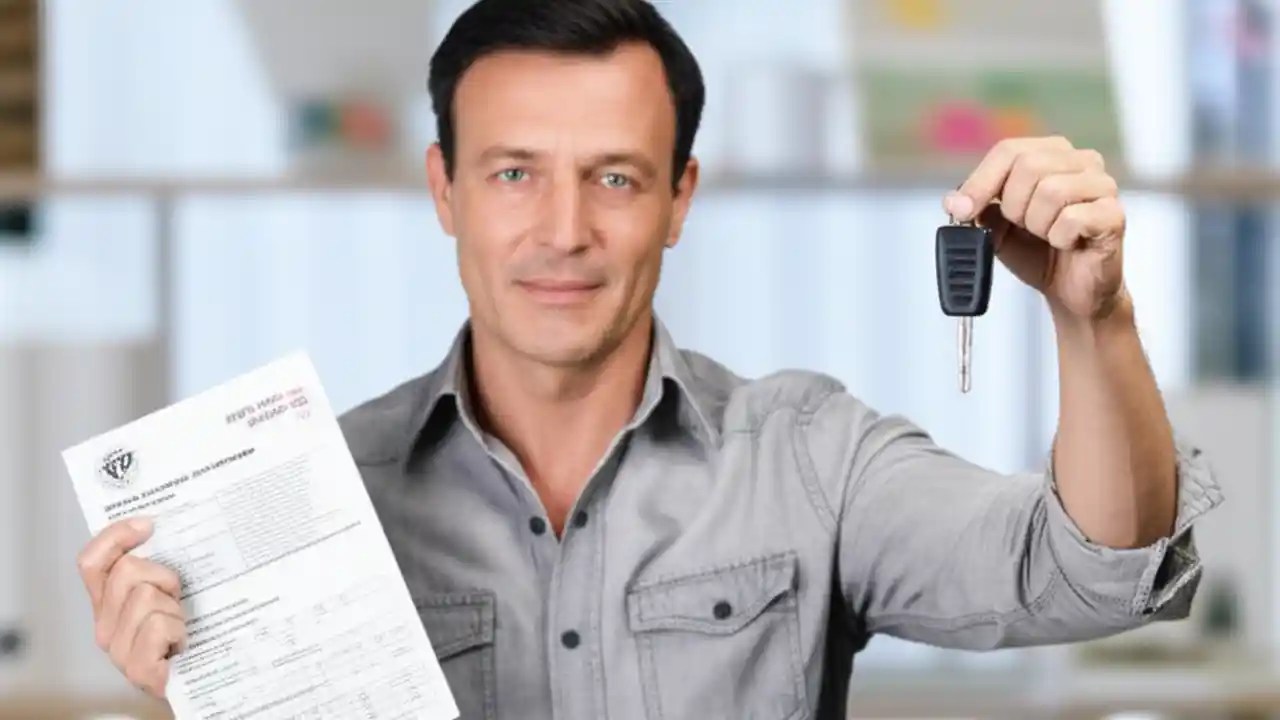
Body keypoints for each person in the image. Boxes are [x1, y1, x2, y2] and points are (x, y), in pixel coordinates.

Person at [75, 0, 1223, 717]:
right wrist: (192, 675)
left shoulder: (809, 456)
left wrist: (1094, 317)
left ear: (680, 198)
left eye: (614, 177)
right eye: (513, 172)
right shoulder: (320, 496)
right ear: (444, 193)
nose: (563, 230)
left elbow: (1090, 571)